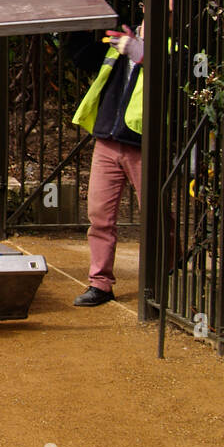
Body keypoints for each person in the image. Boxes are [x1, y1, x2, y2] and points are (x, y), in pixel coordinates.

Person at [70, 18, 145, 306]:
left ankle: (164, 275)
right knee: (100, 216)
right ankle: (100, 284)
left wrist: (141, 54)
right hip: (108, 141)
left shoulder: (175, 50)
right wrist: (79, 24)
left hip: (143, 144)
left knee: (155, 215)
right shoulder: (118, 44)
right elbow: (81, 58)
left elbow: (177, 79)